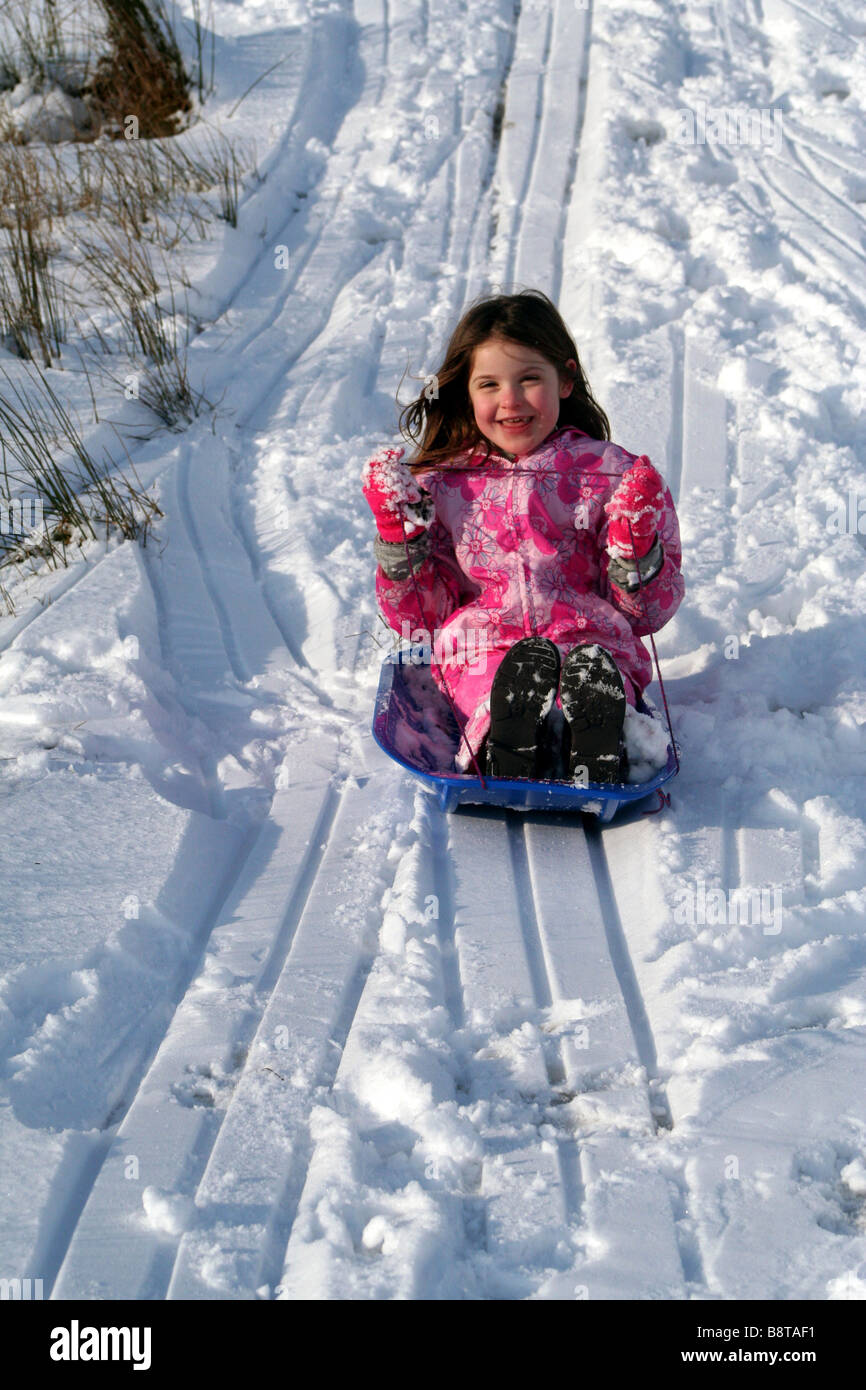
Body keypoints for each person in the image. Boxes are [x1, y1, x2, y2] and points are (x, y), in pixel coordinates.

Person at [362, 289, 684, 783]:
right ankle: (508, 740)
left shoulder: (611, 475)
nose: (509, 400)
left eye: (529, 378)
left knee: (594, 676)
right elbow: (421, 619)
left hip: (591, 641)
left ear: (566, 380)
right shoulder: (444, 484)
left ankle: (595, 736)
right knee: (495, 684)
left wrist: (635, 551)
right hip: (482, 645)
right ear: (465, 395)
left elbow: (648, 614)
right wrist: (401, 544)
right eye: (489, 384)